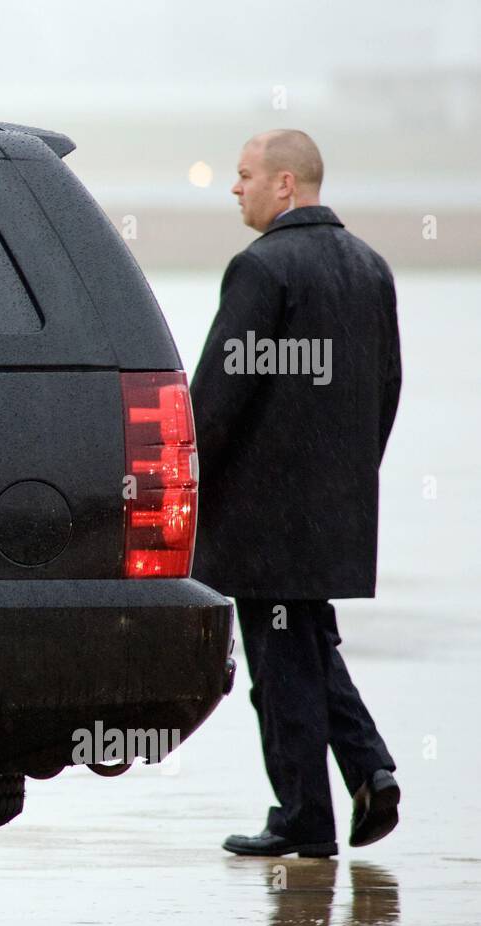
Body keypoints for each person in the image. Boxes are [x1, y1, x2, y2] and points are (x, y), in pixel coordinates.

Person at [190, 129, 402, 858]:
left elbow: (219, 398)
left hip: (264, 518)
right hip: (336, 510)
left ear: (287, 185)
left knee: (282, 671)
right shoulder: (370, 268)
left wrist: (187, 476)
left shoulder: (262, 269)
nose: (235, 188)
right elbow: (388, 388)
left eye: (245, 175)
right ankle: (369, 768)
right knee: (307, 645)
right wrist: (350, 476)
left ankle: (303, 819)